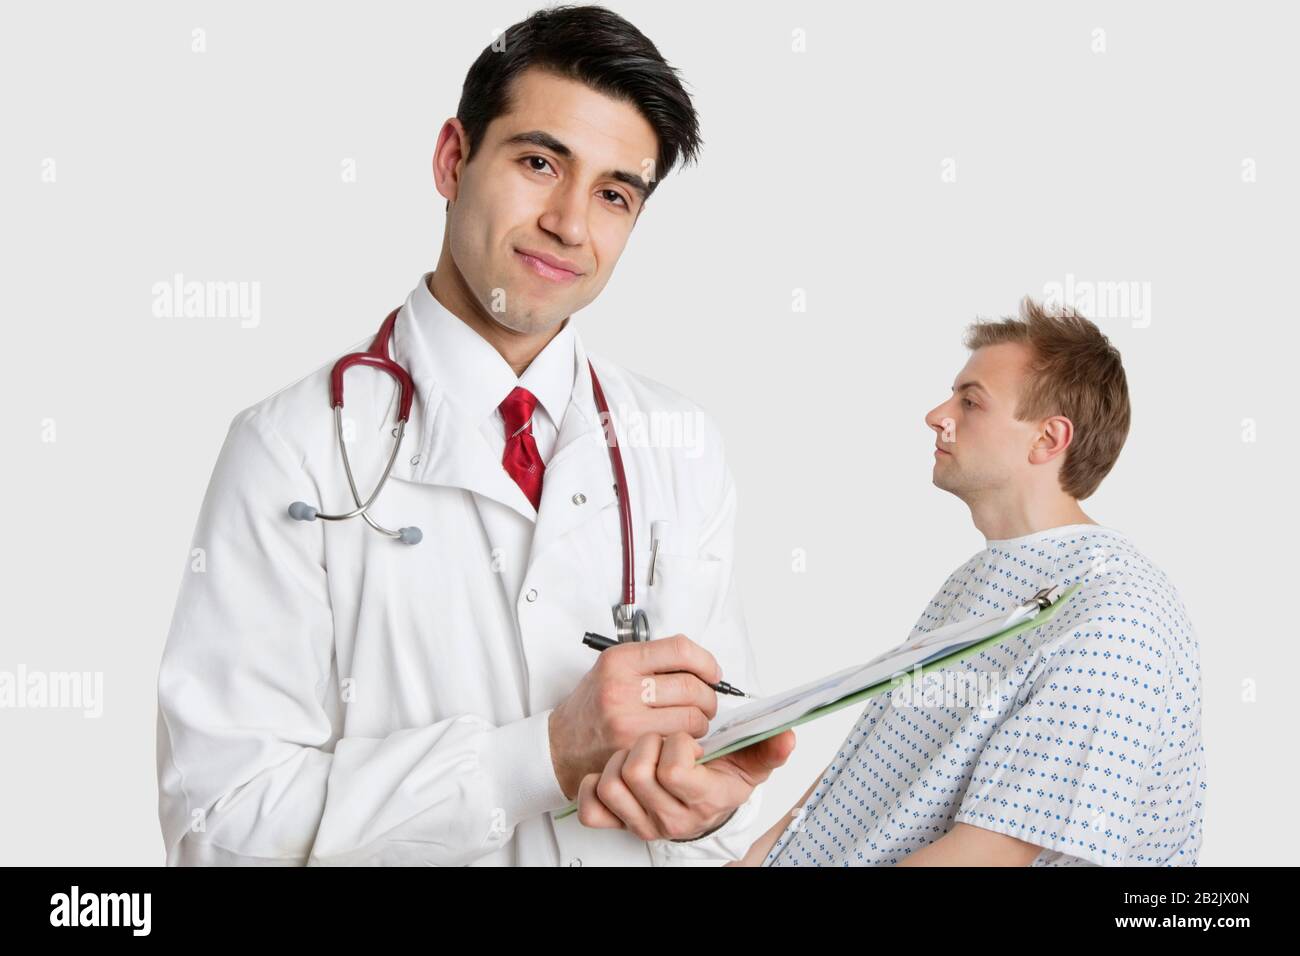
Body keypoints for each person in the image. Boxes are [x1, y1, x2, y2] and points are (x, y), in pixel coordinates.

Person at [156, 4, 792, 867]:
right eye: (539, 163)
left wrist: (712, 813)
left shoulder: (679, 443)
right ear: (452, 159)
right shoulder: (291, 450)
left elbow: (717, 788)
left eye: (613, 194)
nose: (570, 224)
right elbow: (221, 827)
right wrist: (540, 757)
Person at [578, 298, 1207, 867]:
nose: (937, 416)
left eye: (970, 401)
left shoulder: (1116, 617)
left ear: (1048, 438)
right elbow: (854, 785)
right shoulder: (971, 585)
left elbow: (988, 855)